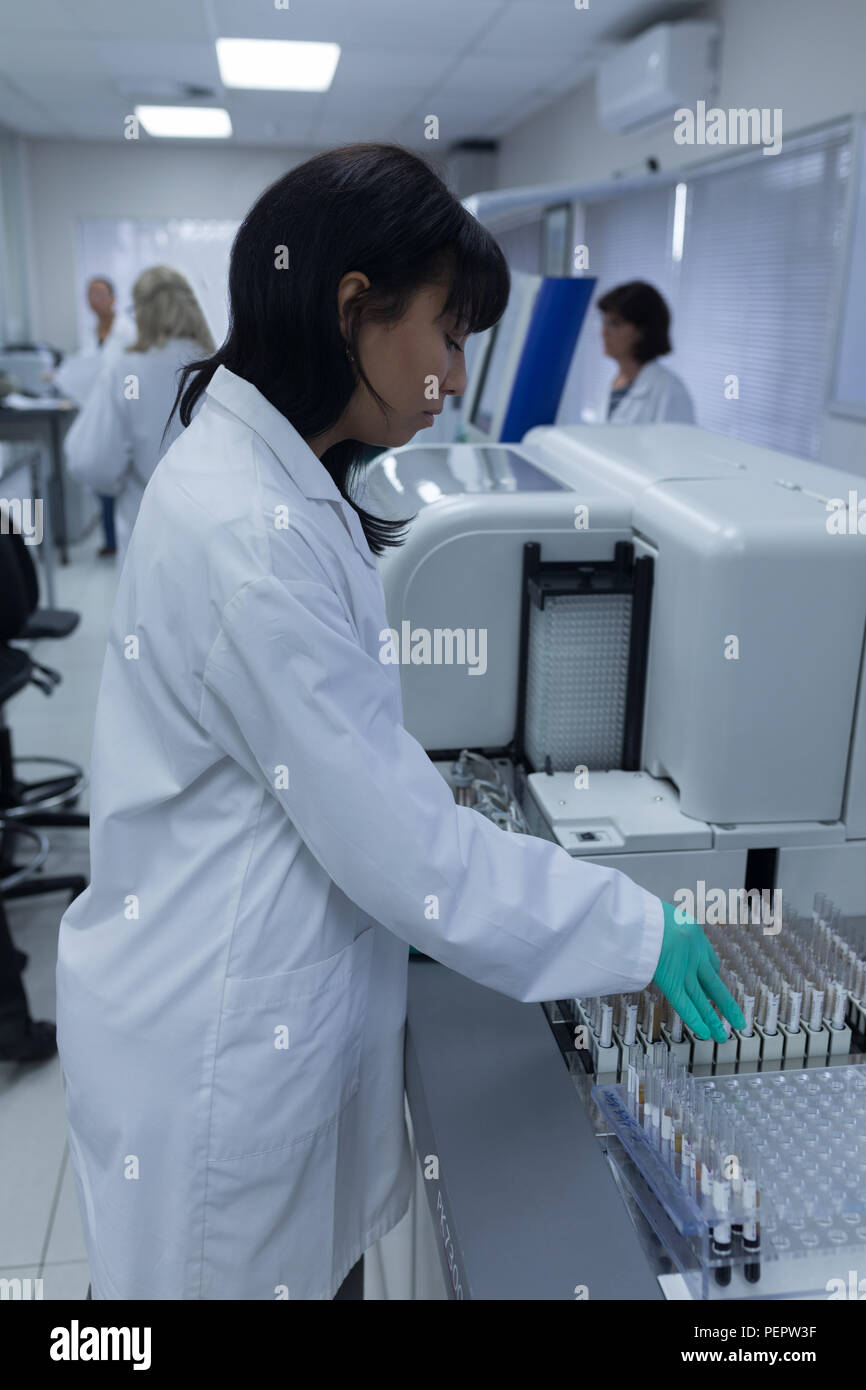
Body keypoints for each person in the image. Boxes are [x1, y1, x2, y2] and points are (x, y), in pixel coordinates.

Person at [55, 143, 742, 1302]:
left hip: (231, 1017)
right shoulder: (251, 535)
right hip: (217, 1063)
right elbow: (407, 853)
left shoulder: (277, 479)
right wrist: (633, 931)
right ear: (351, 310)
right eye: (448, 333)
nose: (457, 376)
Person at [63, 267, 214, 568]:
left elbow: (89, 461)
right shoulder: (218, 366)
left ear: (143, 312)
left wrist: (122, 480)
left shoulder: (128, 369)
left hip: (146, 528)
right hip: (214, 530)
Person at [54, 277, 138, 557]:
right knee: (102, 472)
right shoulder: (89, 334)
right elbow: (83, 368)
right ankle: (111, 541)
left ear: (113, 298)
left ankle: (128, 538)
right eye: (90, 294)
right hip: (96, 411)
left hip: (122, 410)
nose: (94, 300)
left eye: (100, 294)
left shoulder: (127, 331)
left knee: (124, 475)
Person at [595, 281, 695, 424]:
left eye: (614, 324)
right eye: (604, 323)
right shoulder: (612, 385)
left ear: (641, 331)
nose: (603, 333)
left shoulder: (670, 391)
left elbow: (678, 445)